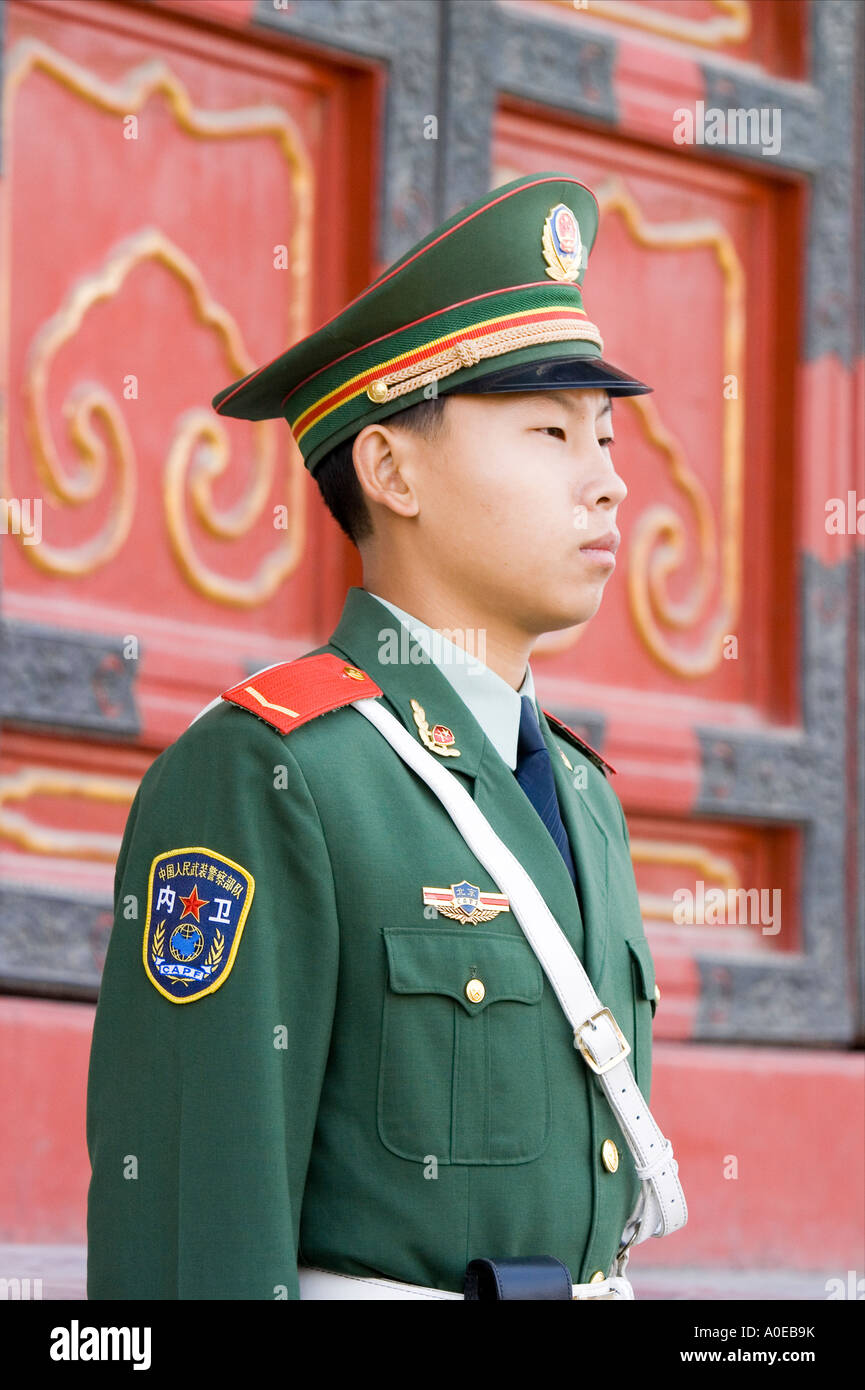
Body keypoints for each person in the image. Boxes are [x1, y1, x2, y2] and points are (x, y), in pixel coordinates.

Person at [86, 171, 685, 1300]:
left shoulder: (582, 792)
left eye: (606, 439)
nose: (606, 484)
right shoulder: (274, 771)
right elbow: (187, 1223)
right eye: (551, 432)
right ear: (390, 467)